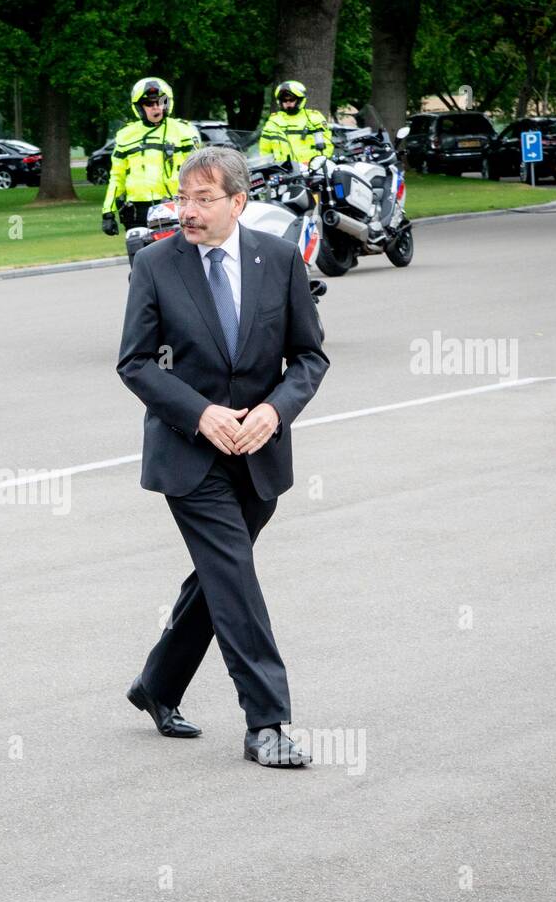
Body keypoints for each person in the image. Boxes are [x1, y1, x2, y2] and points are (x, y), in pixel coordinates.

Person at [116, 147, 328, 767]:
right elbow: (134, 362)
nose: (188, 210)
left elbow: (309, 356)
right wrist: (200, 413)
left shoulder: (280, 260)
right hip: (189, 455)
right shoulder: (156, 265)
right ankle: (268, 722)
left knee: (218, 578)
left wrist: (275, 410)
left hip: (260, 453)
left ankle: (156, 686)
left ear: (239, 202)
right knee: (234, 575)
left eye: (203, 199)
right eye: (183, 198)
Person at [101, 77, 200, 237]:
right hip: (137, 211)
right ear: (140, 107)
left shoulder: (183, 130)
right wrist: (108, 212)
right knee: (140, 257)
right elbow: (116, 177)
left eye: (161, 102)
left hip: (174, 205)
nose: (156, 108)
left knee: (179, 255)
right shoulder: (125, 135)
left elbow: (198, 172)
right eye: (149, 103)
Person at [258, 80, 333, 165]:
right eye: (284, 100)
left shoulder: (314, 118)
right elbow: (264, 152)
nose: (288, 103)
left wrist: (315, 164)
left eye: (291, 99)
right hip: (283, 171)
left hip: (311, 171)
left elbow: (326, 147)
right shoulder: (273, 122)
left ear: (300, 100)